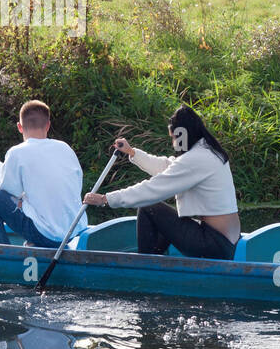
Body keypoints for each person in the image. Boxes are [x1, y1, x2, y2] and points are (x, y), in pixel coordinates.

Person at [83, 105, 240, 260]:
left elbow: (153, 189)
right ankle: (156, 258)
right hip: (225, 242)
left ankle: (146, 266)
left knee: (148, 207)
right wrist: (132, 153)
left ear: (183, 134)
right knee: (162, 217)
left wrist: (106, 199)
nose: (173, 142)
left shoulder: (197, 158)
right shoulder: (207, 151)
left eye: (173, 137)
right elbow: (169, 167)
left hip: (215, 244)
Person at [0, 100, 86, 248]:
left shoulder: (17, 152)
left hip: (47, 236)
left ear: (19, 127)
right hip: (75, 233)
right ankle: (32, 242)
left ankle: (3, 248)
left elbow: (3, 191)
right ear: (48, 125)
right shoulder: (65, 148)